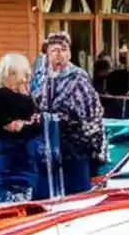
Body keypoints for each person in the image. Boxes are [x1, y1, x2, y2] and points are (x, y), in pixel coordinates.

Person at [32, 32, 105, 197]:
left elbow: (92, 118)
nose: (59, 54)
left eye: (63, 49)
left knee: (76, 199)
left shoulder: (78, 78)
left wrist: (87, 148)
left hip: (74, 151)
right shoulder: (41, 77)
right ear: (47, 54)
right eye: (54, 50)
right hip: (47, 152)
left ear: (70, 53)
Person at [0, 53, 42, 203]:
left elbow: (29, 126)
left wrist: (27, 124)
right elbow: (16, 127)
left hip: (16, 156)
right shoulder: (1, 96)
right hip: (13, 156)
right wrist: (30, 123)